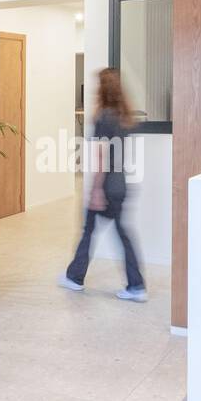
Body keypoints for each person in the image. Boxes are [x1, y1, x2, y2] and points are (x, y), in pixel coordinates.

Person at [59, 68, 147, 301]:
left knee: (89, 230)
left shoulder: (103, 117)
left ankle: (75, 277)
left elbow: (101, 157)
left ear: (101, 89)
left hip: (107, 185)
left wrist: (97, 190)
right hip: (122, 184)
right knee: (121, 233)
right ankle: (136, 286)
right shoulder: (124, 117)